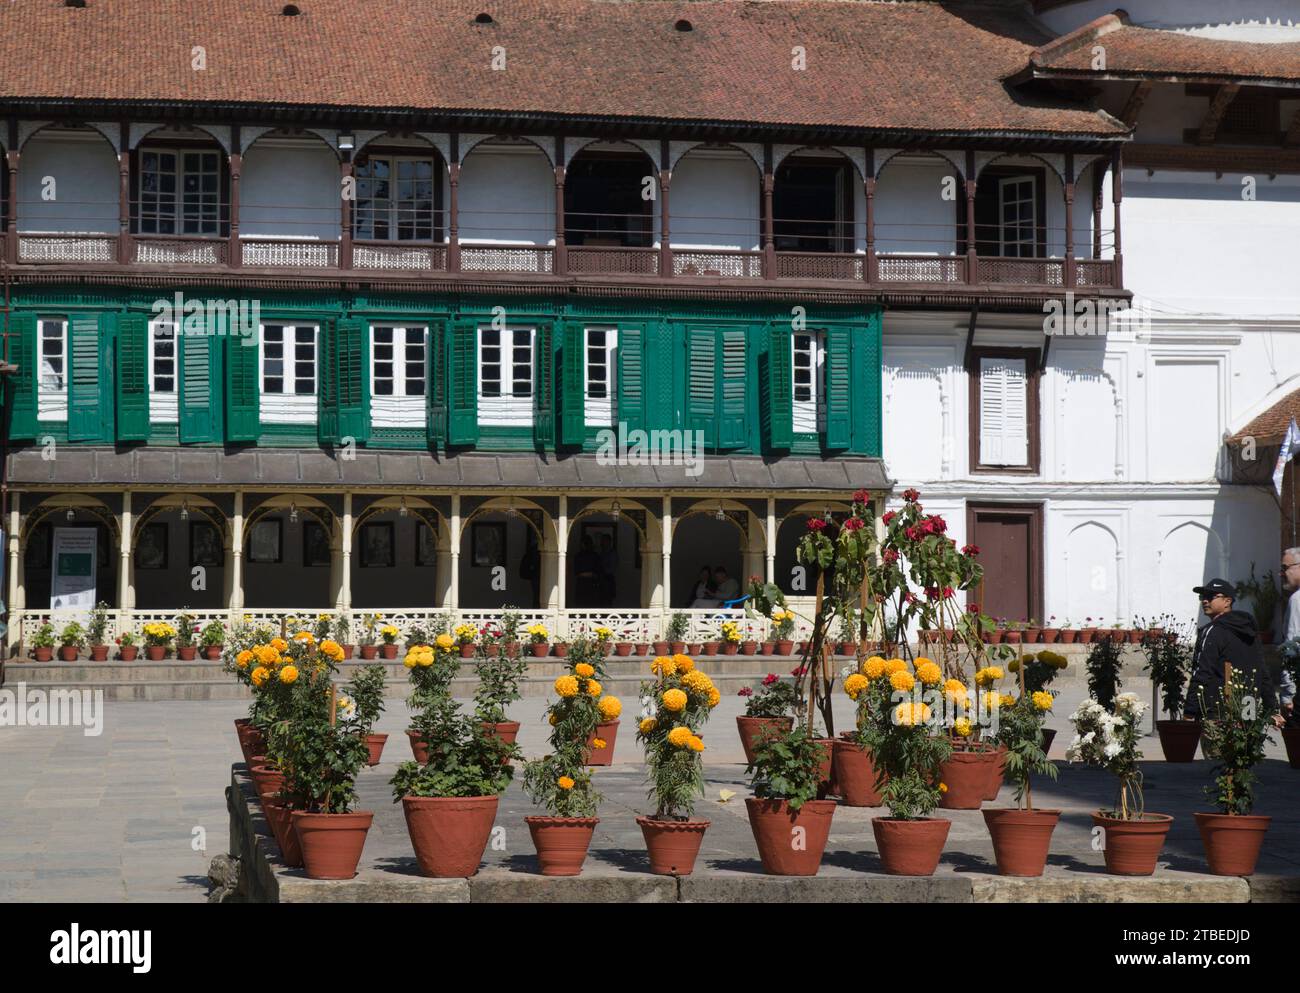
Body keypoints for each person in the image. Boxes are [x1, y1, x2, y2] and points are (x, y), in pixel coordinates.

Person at [1184, 577, 1279, 724]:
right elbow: (1261, 668)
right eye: (1203, 597)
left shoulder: (1213, 631)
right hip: (1248, 704)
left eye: (1211, 597)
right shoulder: (1249, 630)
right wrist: (1271, 707)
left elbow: (1202, 671)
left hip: (1218, 708)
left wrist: (1189, 711)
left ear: (1227, 601)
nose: (1205, 601)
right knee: (1245, 745)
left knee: (1219, 747)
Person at [1279, 548, 1300, 724]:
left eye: (1285, 568)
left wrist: (1288, 695)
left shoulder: (1297, 600)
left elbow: (1292, 647)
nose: (1282, 573)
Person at [598, 534, 618, 607]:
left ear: (609, 542)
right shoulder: (602, 553)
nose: (602, 543)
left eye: (604, 541)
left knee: (607, 603)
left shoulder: (612, 553)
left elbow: (611, 569)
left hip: (608, 581)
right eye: (602, 541)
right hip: (601, 581)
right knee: (601, 602)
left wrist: (602, 568)